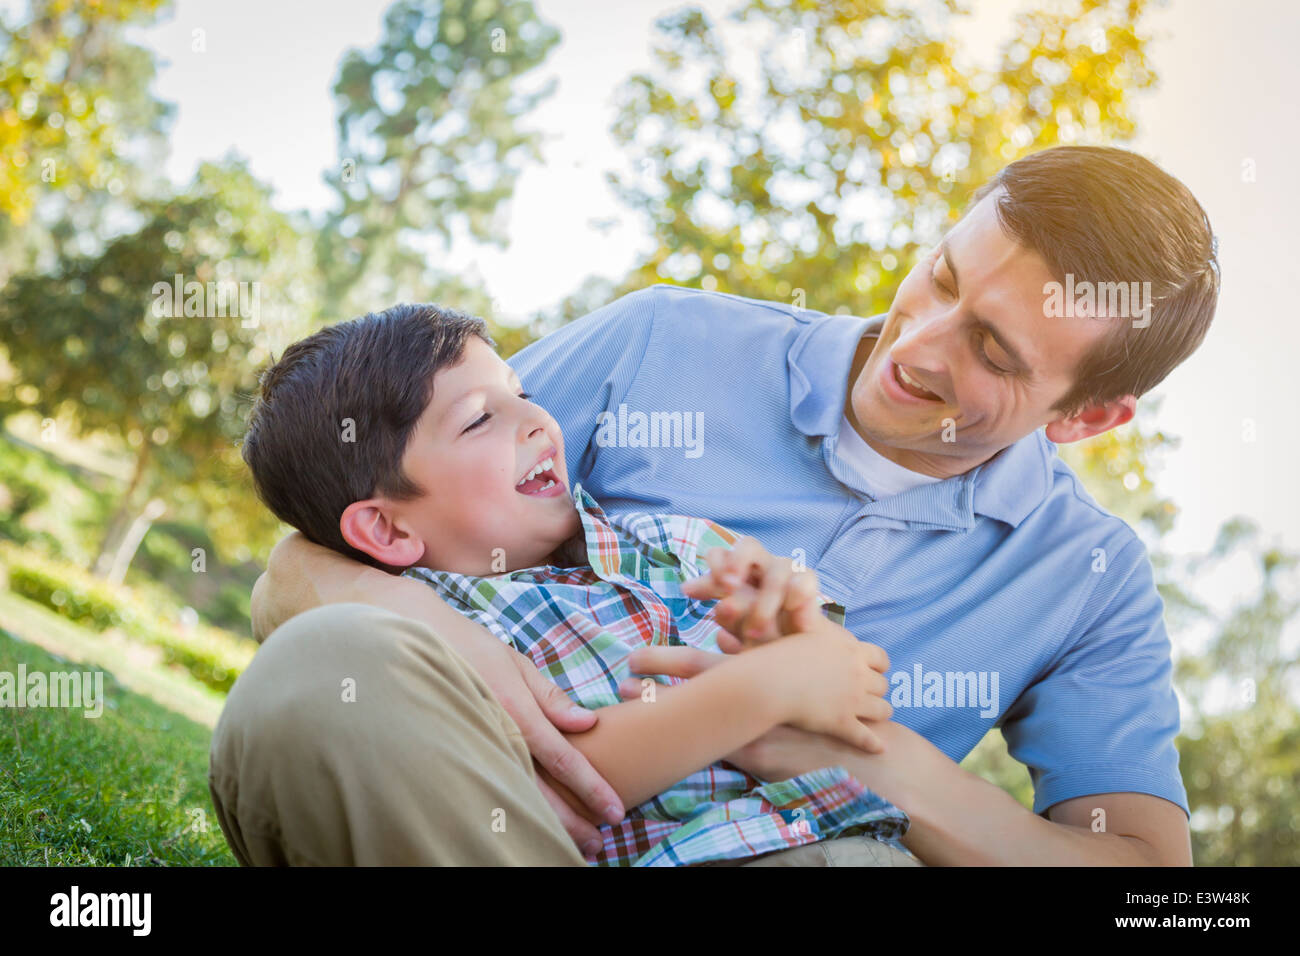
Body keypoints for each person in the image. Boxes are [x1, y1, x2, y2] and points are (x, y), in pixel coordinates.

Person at [228, 145, 1219, 865]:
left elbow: (1143, 876)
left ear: (1087, 415)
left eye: (991, 351)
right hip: (498, 825)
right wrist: (448, 641)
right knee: (325, 666)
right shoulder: (664, 341)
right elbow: (335, 534)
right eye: (942, 276)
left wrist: (852, 751)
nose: (917, 344)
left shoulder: (1087, 578)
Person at [214, 303, 908, 866]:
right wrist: (765, 689)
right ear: (389, 532)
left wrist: (787, 630)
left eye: (522, 394)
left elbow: (847, 680)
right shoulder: (437, 641)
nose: (539, 423)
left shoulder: (669, 546)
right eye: (481, 419)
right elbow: (569, 781)